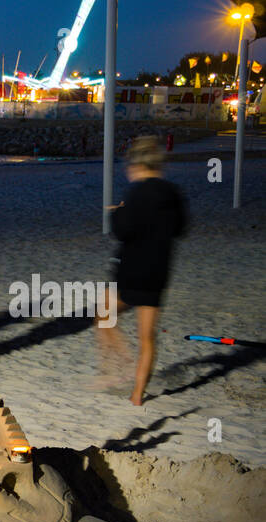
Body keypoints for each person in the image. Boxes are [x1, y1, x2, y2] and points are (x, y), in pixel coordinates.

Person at [95, 137, 188, 406]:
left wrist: (118, 212)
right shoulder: (173, 193)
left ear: (136, 165)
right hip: (158, 272)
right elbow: (181, 228)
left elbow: (122, 231)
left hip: (131, 269)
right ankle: (137, 396)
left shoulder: (136, 192)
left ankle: (122, 361)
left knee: (104, 316)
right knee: (147, 337)